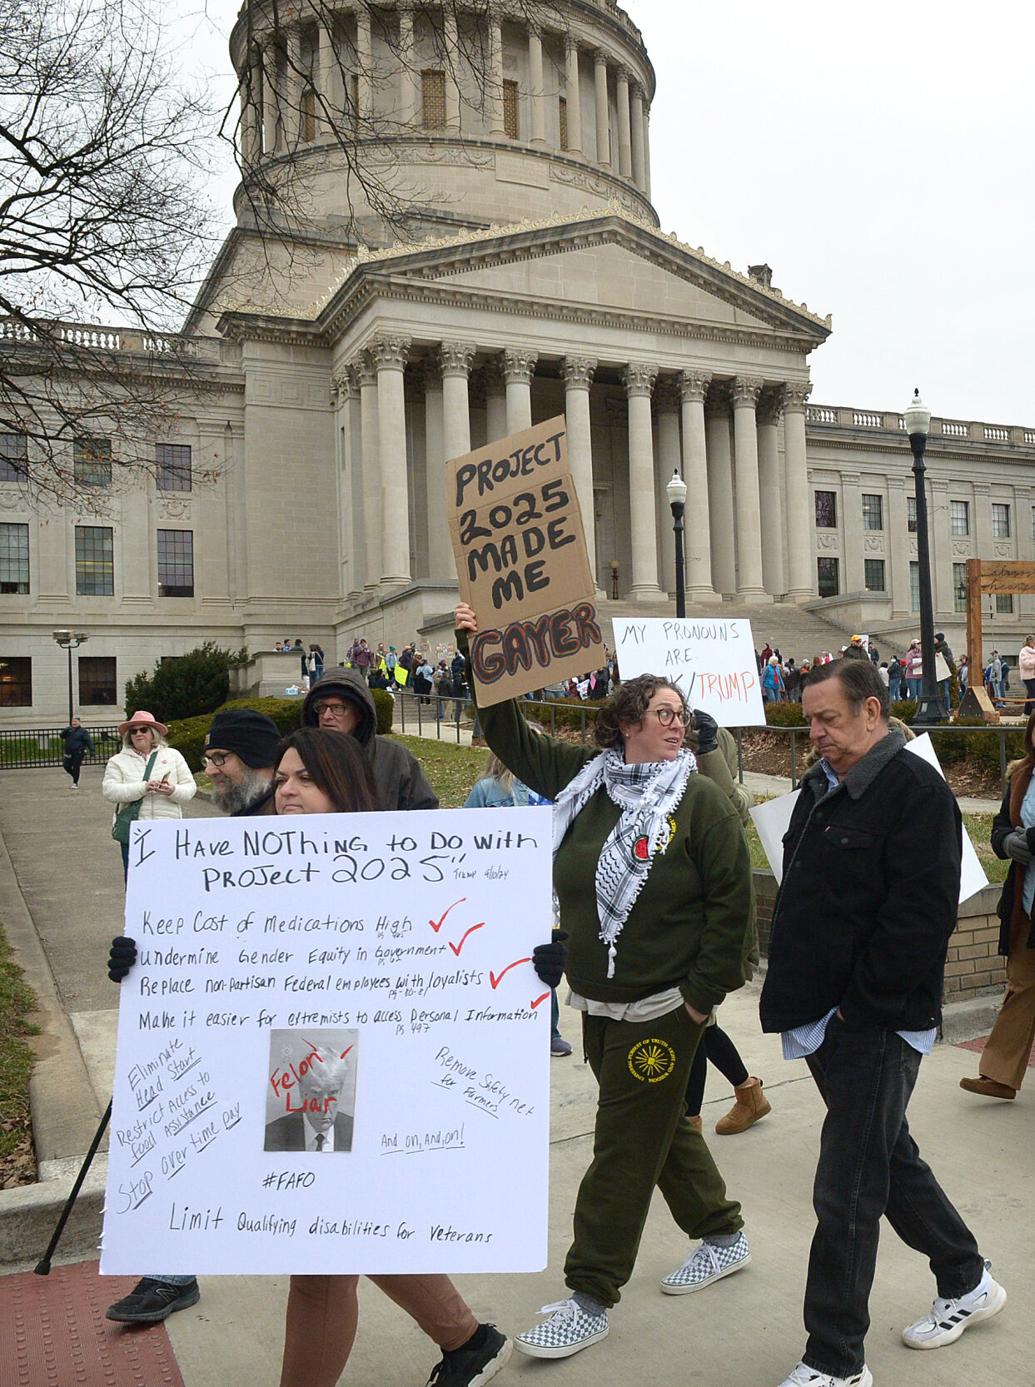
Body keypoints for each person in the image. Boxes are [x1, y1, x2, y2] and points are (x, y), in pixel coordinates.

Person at [455, 603, 754, 1363]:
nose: (676, 724)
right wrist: (477, 648)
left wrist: (697, 997)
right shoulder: (586, 782)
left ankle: (590, 1293)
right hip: (594, 1001)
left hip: (663, 1007)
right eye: (661, 712)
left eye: (681, 713)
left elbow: (733, 909)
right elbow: (507, 734)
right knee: (650, 1126)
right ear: (624, 722)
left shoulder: (703, 801)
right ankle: (721, 1232)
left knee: (620, 1143)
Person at [759, 658, 1005, 1387]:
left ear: (872, 711)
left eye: (826, 719)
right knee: (886, 1159)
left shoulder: (914, 791)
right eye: (807, 719)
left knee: (846, 1192)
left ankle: (834, 1359)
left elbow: (919, 921)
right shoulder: (823, 785)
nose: (814, 734)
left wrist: (854, 1011)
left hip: (873, 1023)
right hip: (825, 1021)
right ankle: (965, 1278)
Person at [105, 709, 283, 1328]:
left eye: (219, 760)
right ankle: (171, 1272)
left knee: (333, 1224)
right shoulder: (221, 837)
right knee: (184, 1134)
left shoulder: (312, 827)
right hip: (229, 1030)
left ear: (258, 762)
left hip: (307, 1045)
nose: (208, 772)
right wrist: (137, 960)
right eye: (206, 760)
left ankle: (462, 1332)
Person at [681, 711, 771, 1137]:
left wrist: (707, 749)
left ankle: (689, 1122)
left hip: (706, 911)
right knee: (698, 1021)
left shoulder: (712, 736)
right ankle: (747, 1091)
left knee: (696, 1018)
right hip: (670, 908)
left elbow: (734, 805)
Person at [465, 746, 572, 1057]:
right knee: (495, 956)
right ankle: (496, 1024)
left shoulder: (555, 790)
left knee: (542, 956)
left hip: (541, 887)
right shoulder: (487, 789)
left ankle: (547, 1030)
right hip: (496, 888)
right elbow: (465, 834)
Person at [960, 708, 1035, 1102]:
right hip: (1025, 902)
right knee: (1022, 986)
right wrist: (1009, 843)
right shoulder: (1022, 776)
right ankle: (999, 1075)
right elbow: (998, 829)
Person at [301, 667, 437, 810]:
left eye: (337, 708)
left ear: (359, 713)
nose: (326, 716)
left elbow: (424, 811)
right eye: (321, 707)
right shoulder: (299, 756)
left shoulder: (394, 757)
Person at [101, 710, 196, 880]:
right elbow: (110, 791)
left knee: (170, 880)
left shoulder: (173, 756)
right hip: (134, 833)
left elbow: (190, 789)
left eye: (143, 729)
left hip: (168, 830)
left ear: (153, 733)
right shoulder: (117, 761)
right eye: (133, 731)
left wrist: (172, 790)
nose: (138, 734)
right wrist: (142, 788)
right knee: (136, 882)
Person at [264, 1044, 354, 1152]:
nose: (323, 1108)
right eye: (316, 1094)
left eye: (332, 1094)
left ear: (341, 1091)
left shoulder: (357, 1132)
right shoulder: (272, 1136)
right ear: (302, 1092)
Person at [60, 714, 94, 790]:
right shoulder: (69, 730)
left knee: (76, 767)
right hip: (69, 752)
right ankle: (75, 776)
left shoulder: (83, 731)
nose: (74, 723)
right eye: (73, 721)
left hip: (78, 752)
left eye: (76, 721)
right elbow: (61, 736)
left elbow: (89, 741)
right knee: (66, 766)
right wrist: (65, 731)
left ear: (79, 722)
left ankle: (75, 782)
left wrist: (92, 751)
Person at [1018, 634, 1035, 715]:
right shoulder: (1023, 652)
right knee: (1033, 694)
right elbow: (1025, 664)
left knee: (1030, 694)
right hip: (1028, 677)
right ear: (1030, 642)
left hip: (1034, 676)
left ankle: (1026, 713)